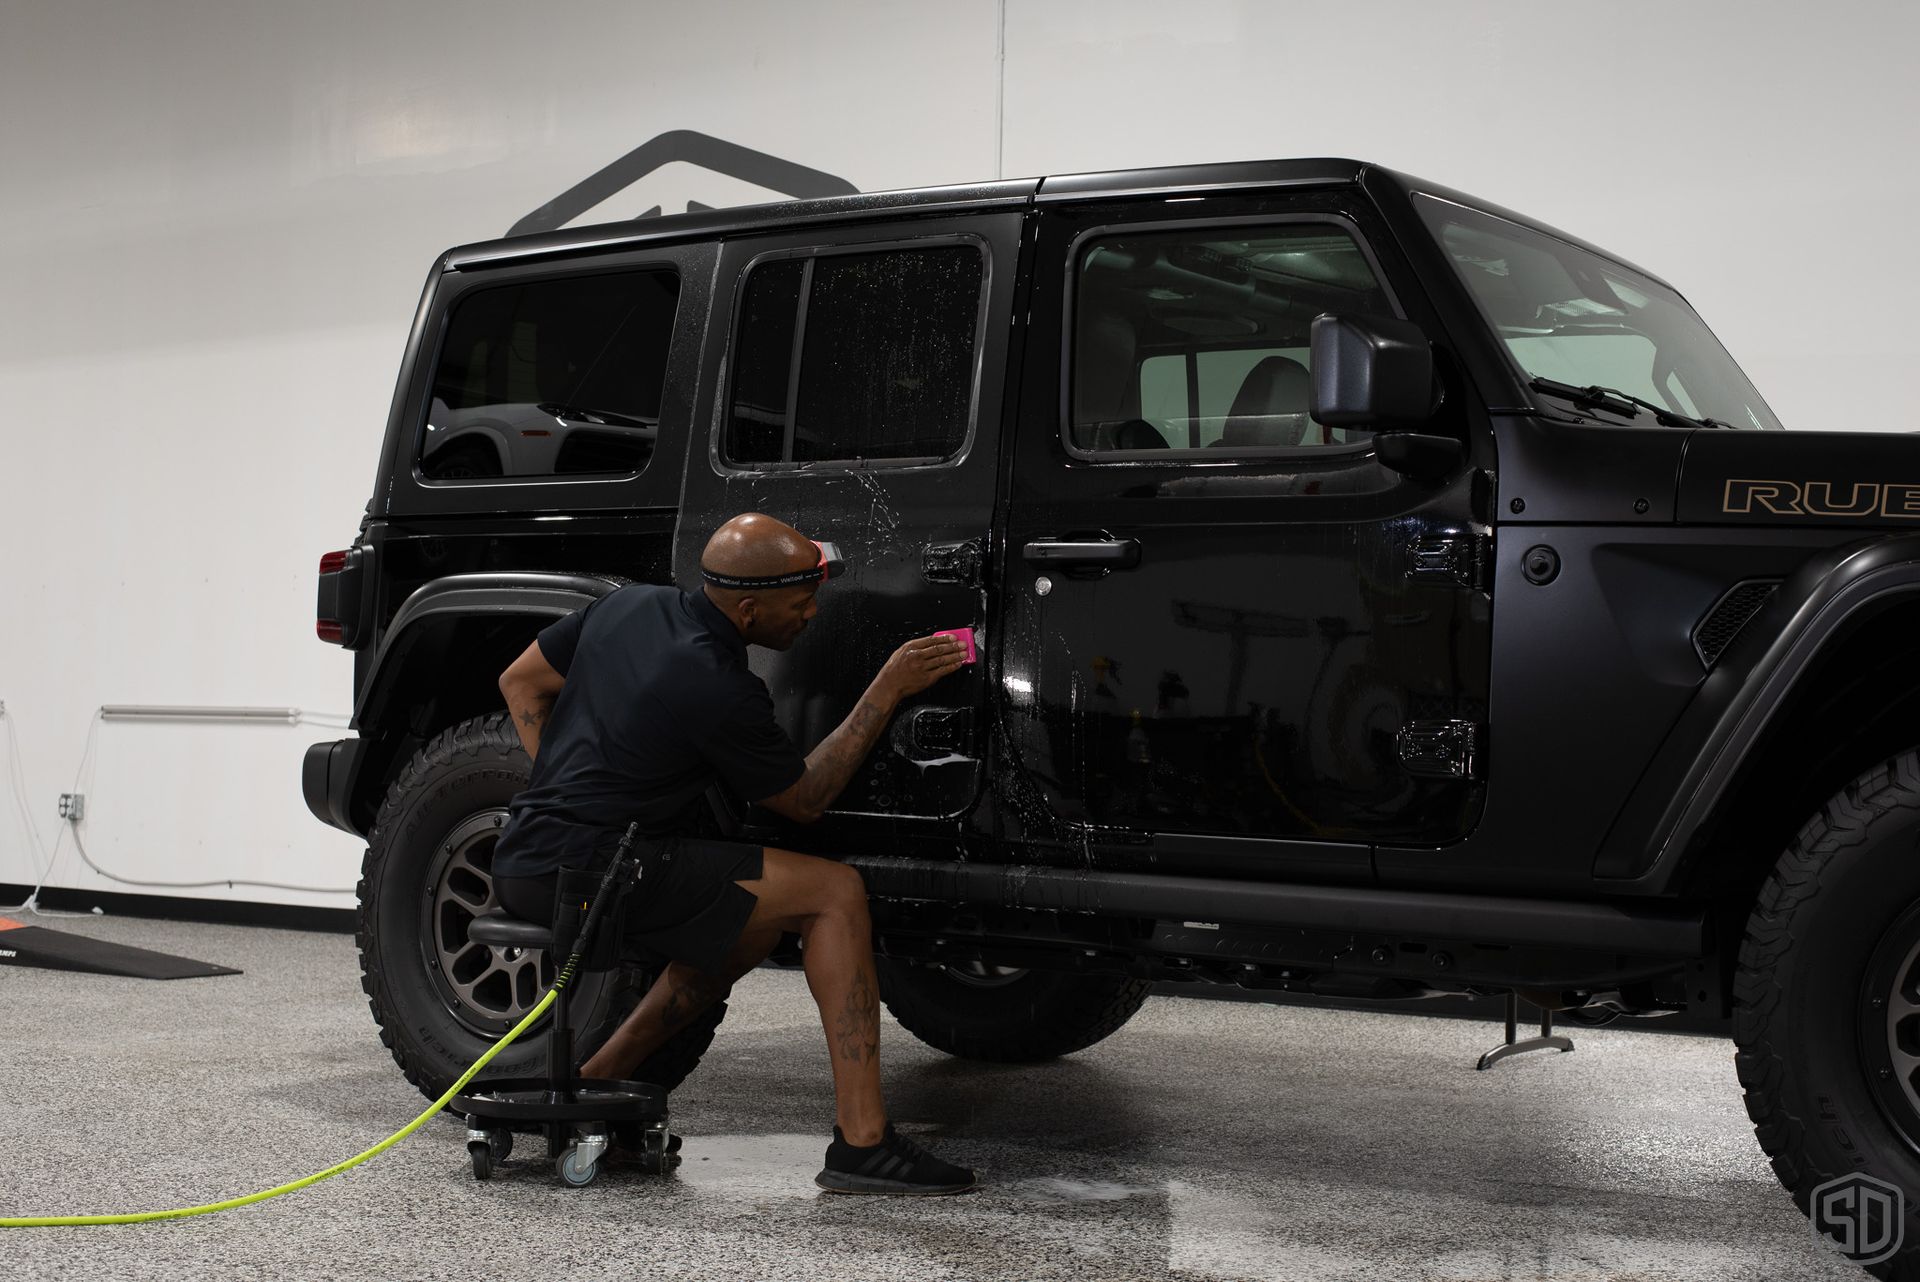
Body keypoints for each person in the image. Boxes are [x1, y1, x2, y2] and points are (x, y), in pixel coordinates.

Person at [489, 512, 974, 1195]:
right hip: (596, 870)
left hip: (530, 852)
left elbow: (519, 680)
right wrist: (887, 688)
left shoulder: (629, 605)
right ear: (748, 610)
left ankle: (597, 1079)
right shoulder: (715, 683)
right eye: (801, 603)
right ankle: (864, 1142)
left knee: (748, 922)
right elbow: (805, 799)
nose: (811, 614)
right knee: (833, 893)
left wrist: (564, 791)